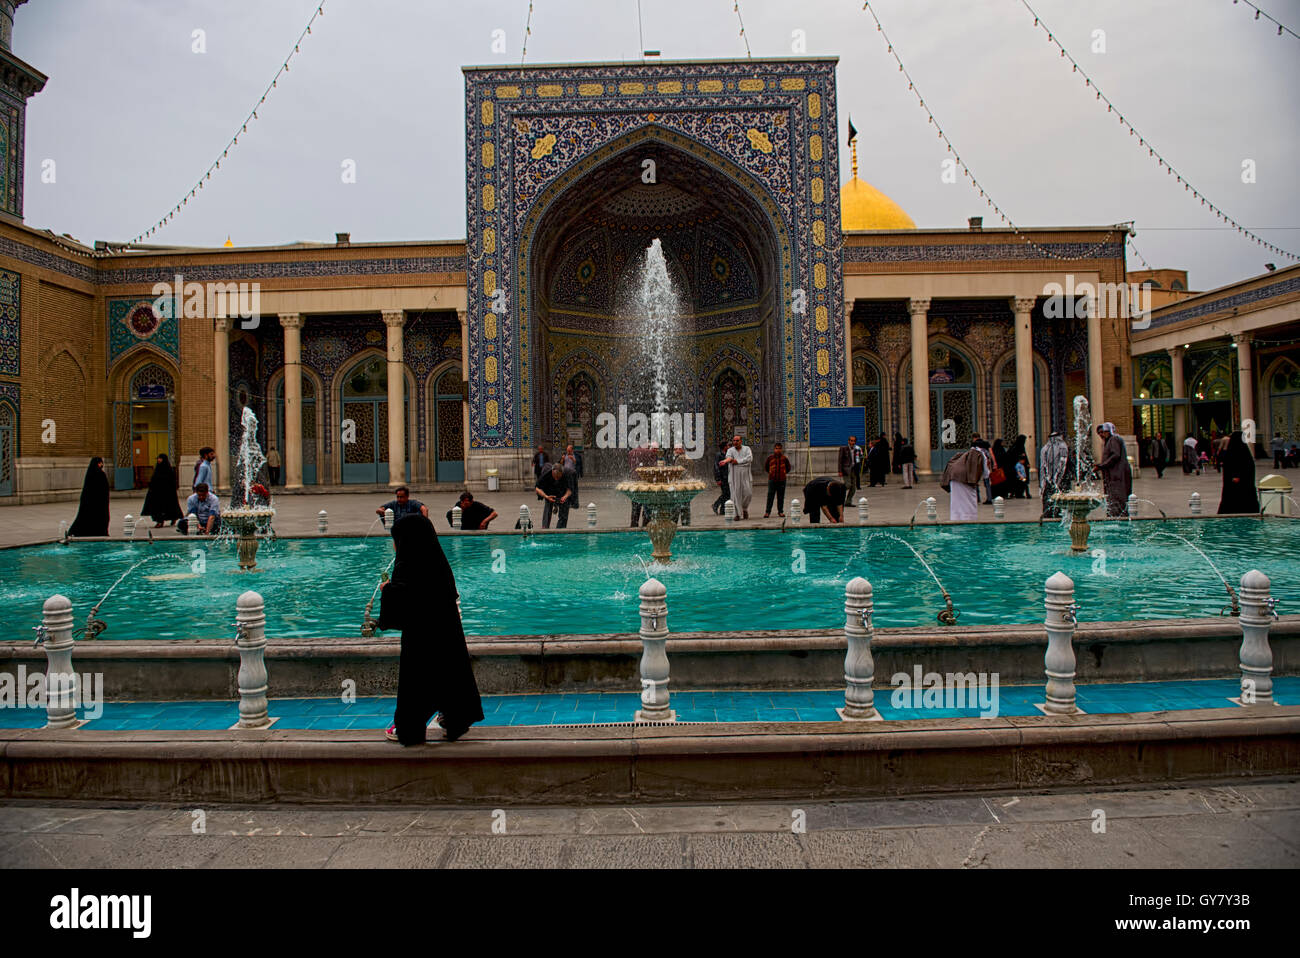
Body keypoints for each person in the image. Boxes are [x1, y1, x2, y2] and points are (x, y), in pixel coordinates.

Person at [377, 514, 483, 744]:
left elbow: (406, 599)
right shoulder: (437, 559)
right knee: (450, 675)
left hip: (421, 638)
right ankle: (454, 719)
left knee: (417, 684)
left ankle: (409, 728)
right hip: (446, 633)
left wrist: (387, 590)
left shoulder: (407, 563)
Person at [941, 442, 989, 521]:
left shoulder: (964, 454)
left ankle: (956, 518)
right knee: (970, 500)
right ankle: (969, 518)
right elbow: (986, 472)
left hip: (954, 478)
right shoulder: (980, 454)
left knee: (956, 501)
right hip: (965, 479)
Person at [1218, 431, 1260, 514]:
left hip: (1235, 483)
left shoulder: (1234, 451)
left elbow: (1236, 464)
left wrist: (1236, 475)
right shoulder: (1244, 451)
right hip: (1244, 484)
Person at [1096, 422, 1132, 517]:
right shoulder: (1110, 440)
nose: (1101, 435)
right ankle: (1114, 516)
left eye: (1103, 432)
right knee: (1113, 497)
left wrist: (1101, 466)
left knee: (1118, 497)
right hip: (1114, 475)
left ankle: (1118, 517)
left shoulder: (1114, 439)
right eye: (1099, 433)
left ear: (1109, 431)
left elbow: (1115, 455)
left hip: (1117, 475)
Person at [68, 456, 110, 537]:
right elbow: (104, 491)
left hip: (88, 504)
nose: (102, 464)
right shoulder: (101, 474)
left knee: (85, 518)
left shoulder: (90, 474)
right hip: (99, 504)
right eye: (100, 463)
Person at [142, 453, 182, 527]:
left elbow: (172, 482)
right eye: (158, 458)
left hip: (166, 493)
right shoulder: (157, 469)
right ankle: (159, 521)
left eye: (160, 458)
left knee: (168, 507)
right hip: (156, 493)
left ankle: (172, 518)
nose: (159, 460)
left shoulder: (168, 470)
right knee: (156, 507)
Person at [719, 434, 754, 519]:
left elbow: (749, 458)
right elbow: (729, 458)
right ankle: (737, 514)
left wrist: (738, 461)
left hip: (745, 474)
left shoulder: (747, 449)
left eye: (737, 440)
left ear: (741, 441)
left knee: (748, 493)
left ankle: (744, 508)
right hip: (735, 475)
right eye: (734, 441)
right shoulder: (730, 450)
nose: (735, 442)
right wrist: (725, 461)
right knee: (735, 494)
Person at [1039, 431, 1070, 518]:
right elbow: (1062, 464)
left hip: (1048, 480)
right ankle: (1057, 514)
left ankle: (1050, 513)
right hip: (1060, 479)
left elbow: (1043, 466)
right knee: (1058, 496)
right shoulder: (1063, 447)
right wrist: (1057, 479)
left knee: (1050, 497)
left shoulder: (1045, 448)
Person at [536, 463, 572, 528]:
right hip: (549, 491)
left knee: (565, 507)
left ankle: (561, 529)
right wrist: (546, 496)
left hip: (561, 491)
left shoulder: (567, 475)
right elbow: (537, 488)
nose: (556, 479)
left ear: (562, 473)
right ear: (552, 471)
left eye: (558, 477)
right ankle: (545, 527)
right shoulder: (546, 474)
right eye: (554, 477)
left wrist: (565, 496)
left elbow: (570, 489)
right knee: (548, 506)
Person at [764, 441, 791, 517]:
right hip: (772, 480)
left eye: (779, 448)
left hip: (782, 480)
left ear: (781, 449)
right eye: (776, 448)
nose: (778, 450)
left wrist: (783, 473)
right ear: (774, 449)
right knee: (770, 496)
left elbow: (788, 468)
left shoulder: (784, 459)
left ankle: (780, 511)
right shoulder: (770, 458)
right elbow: (766, 467)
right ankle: (767, 512)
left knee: (781, 496)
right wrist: (771, 473)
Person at [838, 436, 863, 502]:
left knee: (853, 488)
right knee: (848, 485)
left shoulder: (856, 449)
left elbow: (858, 458)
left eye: (854, 441)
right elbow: (840, 460)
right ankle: (838, 490)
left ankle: (848, 501)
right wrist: (840, 471)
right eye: (851, 441)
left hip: (853, 469)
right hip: (846, 469)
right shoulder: (843, 448)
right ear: (848, 441)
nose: (852, 442)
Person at [711, 439, 731, 515]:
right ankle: (716, 505)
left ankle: (722, 510)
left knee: (726, 493)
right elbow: (716, 467)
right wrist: (718, 478)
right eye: (727, 445)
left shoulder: (726, 454)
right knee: (726, 493)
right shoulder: (719, 455)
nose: (729, 447)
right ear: (724, 447)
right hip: (722, 477)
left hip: (727, 477)